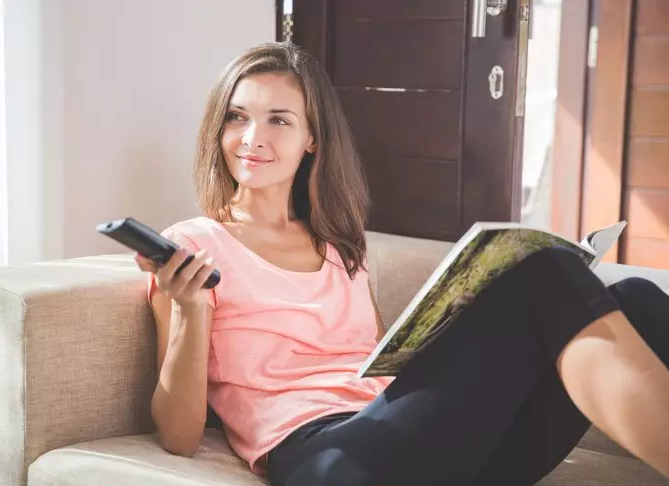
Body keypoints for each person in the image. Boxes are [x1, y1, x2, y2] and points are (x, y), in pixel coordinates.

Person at [135, 42, 669, 486]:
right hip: (331, 457)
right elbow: (179, 435)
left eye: (279, 119)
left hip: (419, 441)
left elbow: (387, 369)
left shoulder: (342, 246)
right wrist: (188, 308)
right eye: (237, 116)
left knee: (639, 299)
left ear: (312, 138)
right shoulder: (192, 247)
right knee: (544, 270)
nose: (253, 138)